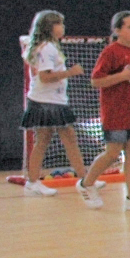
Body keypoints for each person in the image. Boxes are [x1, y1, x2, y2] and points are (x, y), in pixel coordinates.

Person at [76, 10, 130, 209]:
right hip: (116, 112)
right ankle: (86, 183)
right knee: (112, 152)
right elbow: (96, 81)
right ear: (117, 30)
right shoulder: (111, 52)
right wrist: (120, 77)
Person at [19, 10, 77, 189]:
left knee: (60, 139)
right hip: (46, 102)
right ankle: (34, 181)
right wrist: (70, 72)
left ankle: (85, 179)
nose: (63, 27)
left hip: (53, 100)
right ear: (50, 27)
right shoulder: (47, 48)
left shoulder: (50, 46)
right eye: (60, 24)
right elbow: (45, 77)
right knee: (53, 139)